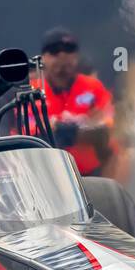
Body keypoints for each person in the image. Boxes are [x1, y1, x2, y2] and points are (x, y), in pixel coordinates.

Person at [29, 27, 114, 177]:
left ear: (76, 55)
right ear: (43, 58)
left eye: (69, 49)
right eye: (54, 50)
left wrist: (64, 128)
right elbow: (29, 131)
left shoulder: (93, 87)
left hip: (90, 174)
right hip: (48, 174)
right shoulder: (33, 91)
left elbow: (108, 124)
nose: (62, 55)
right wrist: (81, 126)